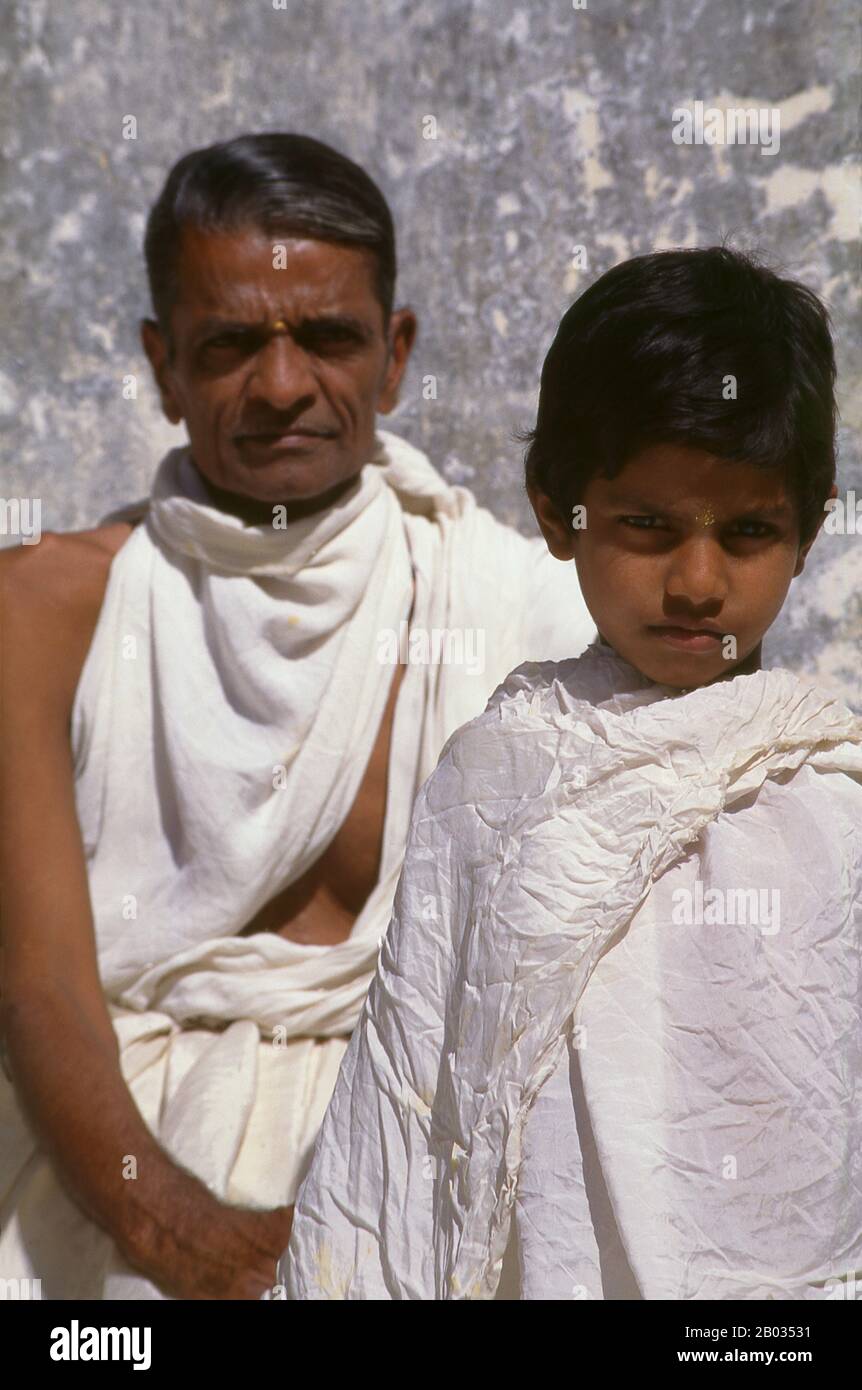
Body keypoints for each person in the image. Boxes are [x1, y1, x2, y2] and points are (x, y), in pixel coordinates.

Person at [0, 132, 596, 1300]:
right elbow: (42, 987)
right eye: (229, 346)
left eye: (327, 337)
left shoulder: (523, 602)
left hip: (441, 1196)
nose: (280, 388)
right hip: (101, 1202)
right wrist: (184, 1239)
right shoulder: (42, 612)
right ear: (163, 366)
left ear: (395, 355)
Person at [283, 246, 862, 1300]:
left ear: (811, 523)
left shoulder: (832, 798)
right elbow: (414, 1103)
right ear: (557, 509)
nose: (697, 581)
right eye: (646, 525)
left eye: (747, 532)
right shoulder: (498, 779)